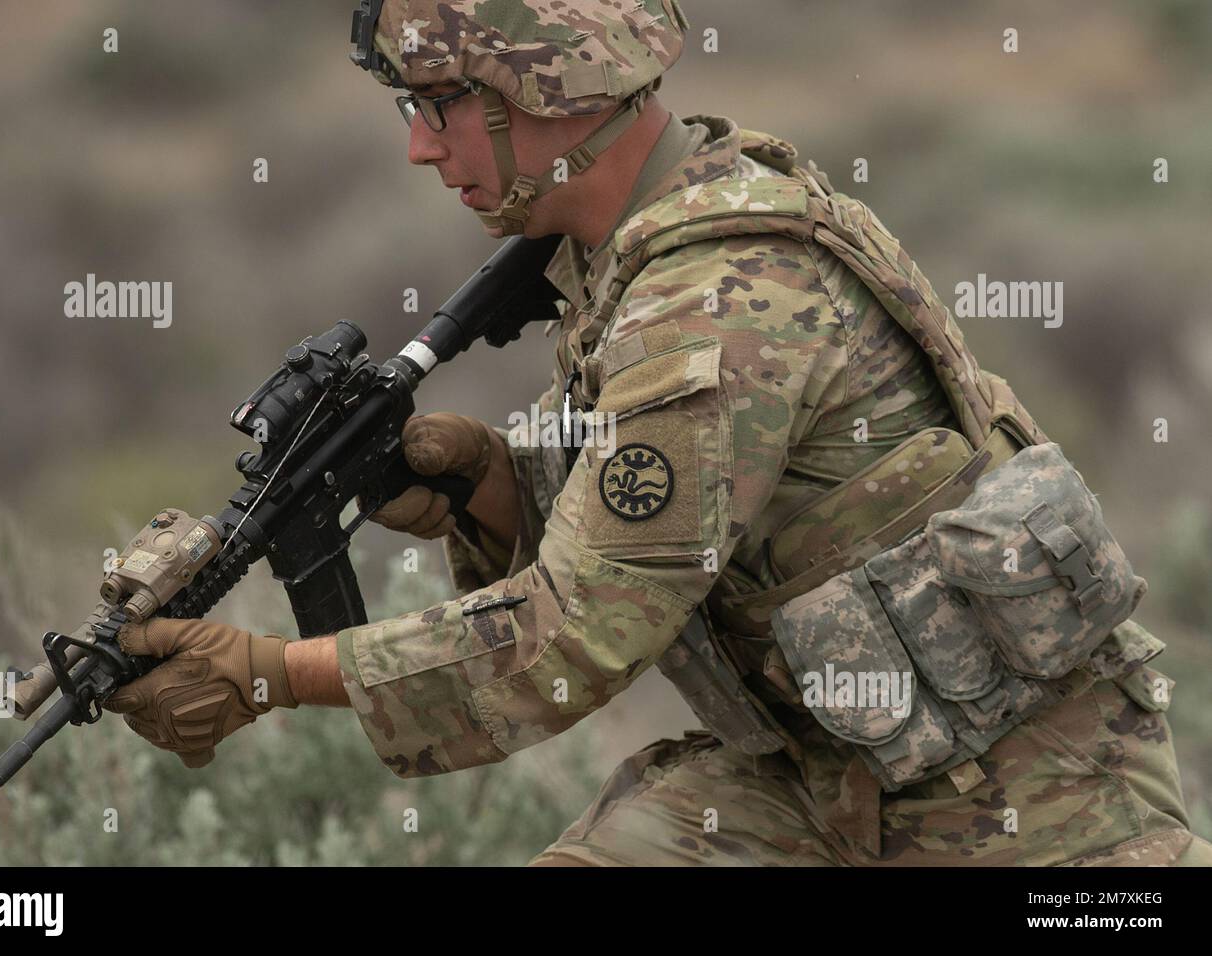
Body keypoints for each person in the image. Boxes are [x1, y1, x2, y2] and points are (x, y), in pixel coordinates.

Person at [106, 0, 1212, 866]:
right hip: (821, 777)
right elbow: (669, 513)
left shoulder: (718, 298)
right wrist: (480, 482)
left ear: (542, 86)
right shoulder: (649, 232)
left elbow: (575, 634)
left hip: (1031, 804)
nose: (418, 148)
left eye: (436, 103)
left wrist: (270, 671)